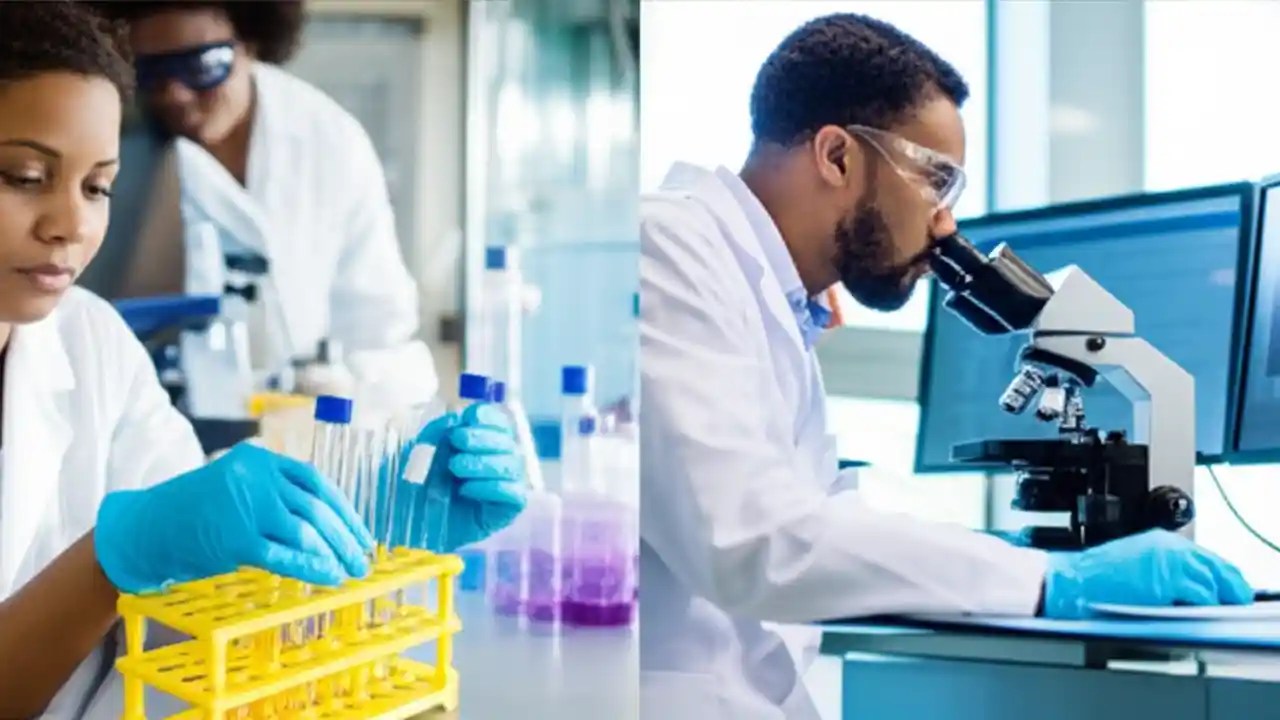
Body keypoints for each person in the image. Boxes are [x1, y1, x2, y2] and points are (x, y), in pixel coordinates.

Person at [639, 13, 1254, 720]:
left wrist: (995, 558)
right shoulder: (669, 250)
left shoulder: (773, 302)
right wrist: (1047, 579)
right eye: (936, 181)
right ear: (837, 156)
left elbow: (823, 528)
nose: (945, 224)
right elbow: (757, 541)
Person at [0, 4, 524, 717]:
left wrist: (383, 529)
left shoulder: (93, 342)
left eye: (98, 187)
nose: (71, 225)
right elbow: (135, 557)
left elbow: (208, 606)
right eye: (25, 175)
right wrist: (108, 560)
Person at [87, 0, 437, 402]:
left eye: (201, 66)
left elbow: (377, 325)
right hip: (149, 403)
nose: (174, 94)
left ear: (251, 43)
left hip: (296, 405)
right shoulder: (118, 137)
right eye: (151, 72)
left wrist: (344, 385)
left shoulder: (327, 140)